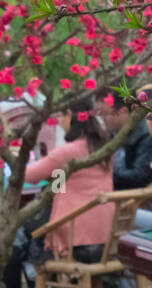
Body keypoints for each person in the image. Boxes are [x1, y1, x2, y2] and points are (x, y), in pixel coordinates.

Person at [24, 104, 115, 264]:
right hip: (106, 236)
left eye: (60, 116)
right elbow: (70, 182)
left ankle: (28, 284)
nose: (59, 122)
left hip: (77, 241)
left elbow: (29, 176)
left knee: (23, 231)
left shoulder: (68, 152)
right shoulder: (103, 148)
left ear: (69, 114)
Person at [100, 93, 152, 191]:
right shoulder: (110, 134)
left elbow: (140, 176)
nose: (102, 118)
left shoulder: (145, 134)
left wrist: (102, 175)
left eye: (104, 114)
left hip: (129, 197)